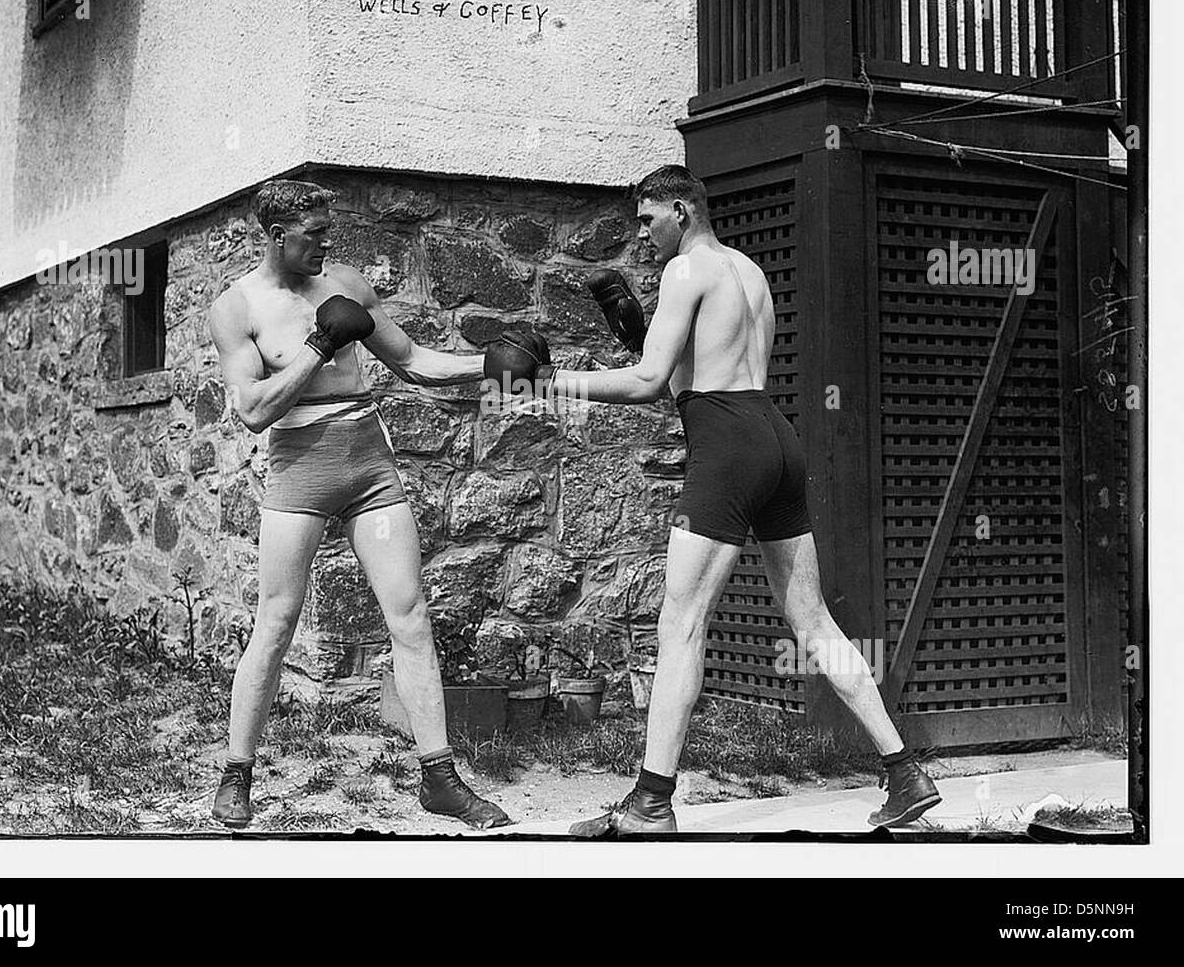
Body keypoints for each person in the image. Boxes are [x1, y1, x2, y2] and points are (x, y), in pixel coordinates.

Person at [482, 165, 941, 834]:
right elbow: (696, 375)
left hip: (727, 446)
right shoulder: (748, 272)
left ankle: (648, 804)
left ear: (680, 209)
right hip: (776, 439)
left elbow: (648, 385)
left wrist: (549, 380)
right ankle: (904, 772)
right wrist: (636, 331)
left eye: (647, 220)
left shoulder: (683, 272)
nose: (641, 235)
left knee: (682, 623)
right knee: (812, 619)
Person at [207, 178, 510, 830]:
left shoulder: (346, 283)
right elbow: (254, 412)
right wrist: (319, 347)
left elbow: (413, 361)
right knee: (277, 620)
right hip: (300, 468)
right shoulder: (237, 309)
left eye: (327, 230)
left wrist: (490, 362)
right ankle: (237, 773)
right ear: (274, 235)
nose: (325, 242)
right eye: (312, 233)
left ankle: (440, 780)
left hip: (368, 462)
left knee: (409, 614)